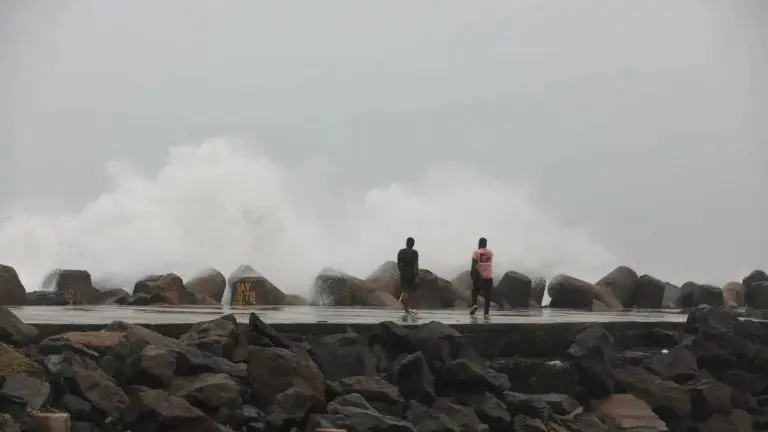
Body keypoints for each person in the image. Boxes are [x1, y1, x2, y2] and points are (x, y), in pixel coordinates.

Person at [470, 237, 494, 317]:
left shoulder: (476, 252)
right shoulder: (490, 253)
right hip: (489, 276)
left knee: (475, 291)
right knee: (488, 295)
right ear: (486, 244)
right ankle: (486, 313)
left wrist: (472, 275)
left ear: (479, 244)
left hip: (480, 276)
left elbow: (473, 265)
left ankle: (474, 304)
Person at [397, 237, 419, 315]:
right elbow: (415, 264)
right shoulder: (414, 253)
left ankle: (406, 310)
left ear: (406, 243)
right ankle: (413, 308)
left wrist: (401, 271)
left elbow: (398, 263)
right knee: (412, 292)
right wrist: (416, 275)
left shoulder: (401, 252)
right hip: (412, 274)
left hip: (403, 274)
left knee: (405, 291)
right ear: (413, 244)